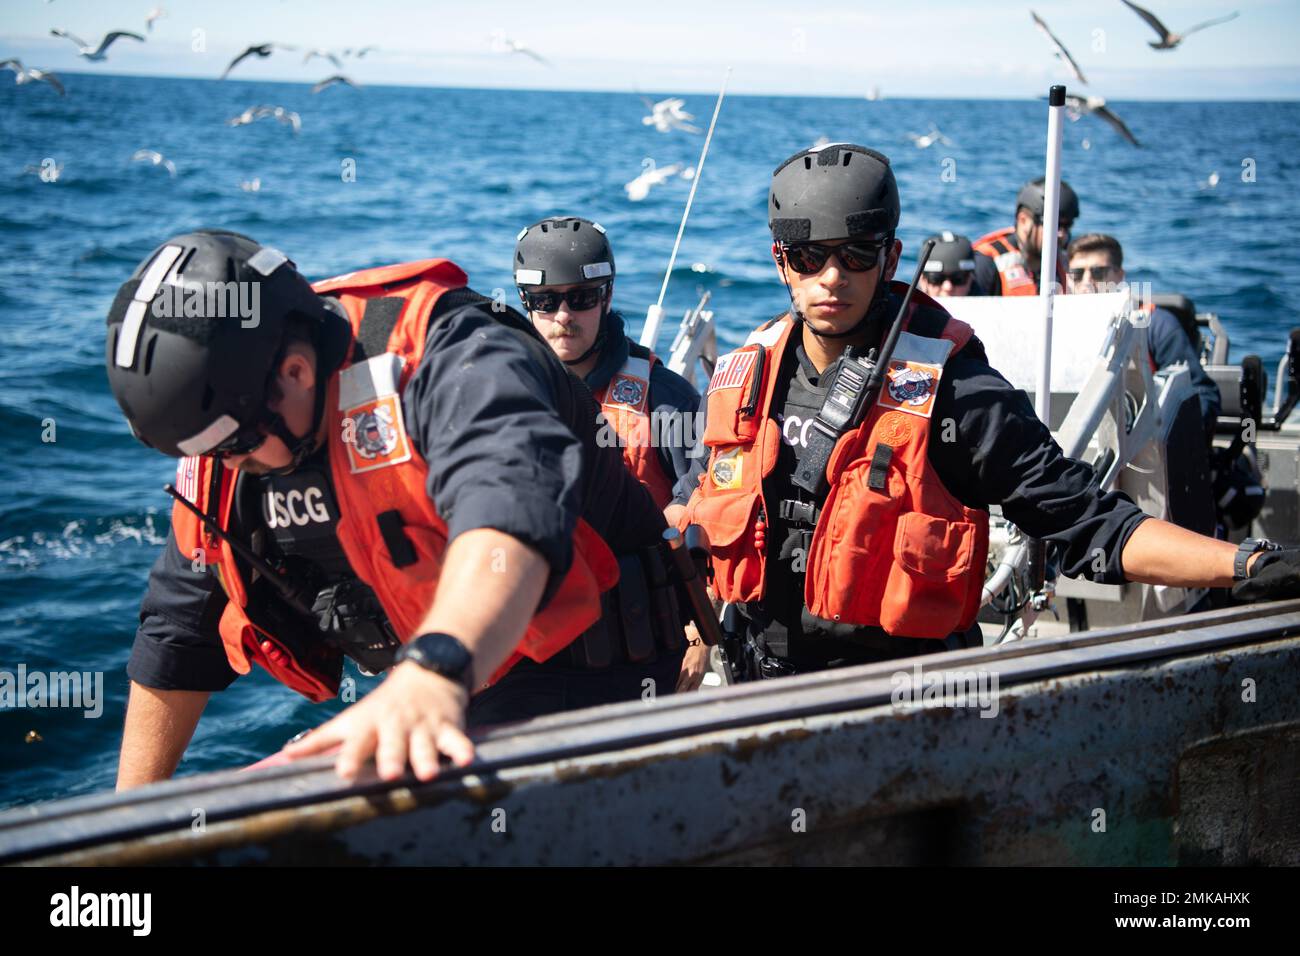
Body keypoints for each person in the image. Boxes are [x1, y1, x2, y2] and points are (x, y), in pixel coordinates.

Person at [668, 142, 1300, 681]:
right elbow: (697, 502)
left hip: (890, 701)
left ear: (891, 259)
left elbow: (1088, 520)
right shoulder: (748, 373)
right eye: (810, 257)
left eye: (856, 255)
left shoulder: (956, 390)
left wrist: (1242, 565)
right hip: (756, 688)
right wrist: (691, 629)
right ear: (782, 261)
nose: (832, 277)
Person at [106, 230, 687, 787]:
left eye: (233, 446)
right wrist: (130, 821)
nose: (229, 466)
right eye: (205, 452)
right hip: (441, 671)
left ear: (297, 372)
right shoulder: (235, 437)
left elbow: (511, 503)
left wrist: (434, 669)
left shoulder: (456, 354)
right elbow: (179, 628)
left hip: (589, 659)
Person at [514, 215, 709, 690]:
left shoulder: (665, 398)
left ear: (607, 295)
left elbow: (710, 510)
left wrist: (703, 632)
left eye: (580, 298)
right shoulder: (500, 397)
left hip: (638, 648)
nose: (563, 316)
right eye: (545, 301)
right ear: (525, 304)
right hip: (534, 649)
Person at [1067, 232, 1221, 433]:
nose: (1087, 282)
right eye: (1077, 274)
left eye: (1098, 273)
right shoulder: (1058, 331)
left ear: (1120, 276)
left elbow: (1203, 396)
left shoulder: (1157, 326)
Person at [971, 177, 1077, 296]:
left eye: (1067, 226)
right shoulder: (985, 263)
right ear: (1023, 221)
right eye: (1054, 225)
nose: (1061, 234)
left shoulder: (1066, 264)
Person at [917, 231, 982, 298]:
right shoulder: (910, 306)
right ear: (922, 281)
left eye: (957, 279)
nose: (948, 287)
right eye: (937, 279)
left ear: (970, 280)